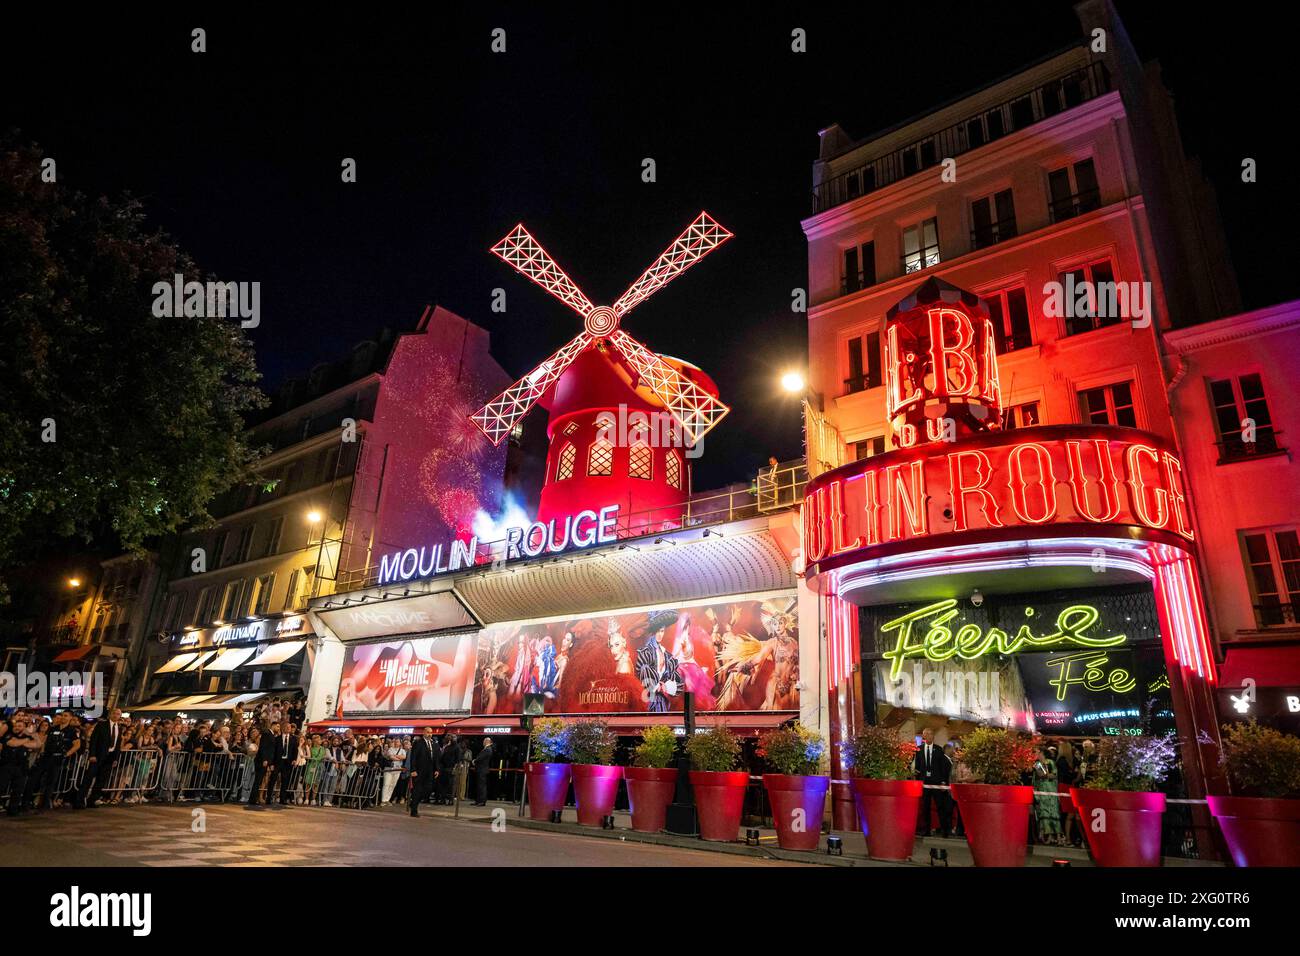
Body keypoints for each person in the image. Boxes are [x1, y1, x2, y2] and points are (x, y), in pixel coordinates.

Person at [76, 708, 124, 809]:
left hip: (110, 757)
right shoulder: (101, 725)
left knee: (101, 780)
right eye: (114, 713)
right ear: (110, 714)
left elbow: (117, 744)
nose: (116, 715)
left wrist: (115, 758)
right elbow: (94, 740)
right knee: (88, 778)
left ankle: (92, 800)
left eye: (118, 714)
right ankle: (79, 801)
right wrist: (92, 755)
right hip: (98, 756)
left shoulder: (119, 728)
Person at [636, 611, 682, 713]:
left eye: (662, 631)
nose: (660, 634)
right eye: (658, 631)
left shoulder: (666, 655)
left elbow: (677, 681)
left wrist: (665, 686)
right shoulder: (645, 652)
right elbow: (642, 672)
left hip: (662, 701)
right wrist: (657, 686)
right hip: (648, 699)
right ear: (653, 632)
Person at [913, 728, 953, 837]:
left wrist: (943, 781)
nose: (930, 736)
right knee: (925, 807)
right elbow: (917, 767)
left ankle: (944, 830)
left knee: (940, 806)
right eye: (927, 734)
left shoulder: (939, 749)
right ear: (923, 736)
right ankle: (926, 830)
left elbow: (944, 767)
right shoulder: (919, 750)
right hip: (924, 782)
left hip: (937, 782)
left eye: (932, 734)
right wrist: (918, 779)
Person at [0, 715, 43, 816]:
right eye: (16, 725)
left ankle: (13, 810)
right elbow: (13, 743)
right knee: (1, 787)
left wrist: (33, 735)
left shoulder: (26, 737)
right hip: (7, 766)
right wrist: (27, 740)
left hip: (21, 768)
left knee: (18, 790)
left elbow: (38, 744)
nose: (17, 727)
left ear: (24, 728)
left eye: (20, 726)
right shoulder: (8, 735)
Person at [1033, 746, 1062, 845]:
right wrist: (1045, 774)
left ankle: (1058, 836)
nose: (1034, 754)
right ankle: (1048, 836)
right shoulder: (1036, 764)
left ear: (1041, 752)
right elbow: (1042, 775)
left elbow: (1054, 775)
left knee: (1054, 812)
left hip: (1051, 790)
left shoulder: (1050, 762)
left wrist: (1045, 774)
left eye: (1036, 752)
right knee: (1044, 813)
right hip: (1041, 791)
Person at [408, 727, 439, 817]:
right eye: (428, 732)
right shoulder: (418, 743)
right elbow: (413, 757)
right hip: (419, 771)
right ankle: (414, 810)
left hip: (430, 771)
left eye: (431, 732)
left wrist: (437, 769)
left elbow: (436, 758)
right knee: (417, 790)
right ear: (424, 733)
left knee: (428, 789)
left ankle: (413, 802)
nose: (430, 734)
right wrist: (413, 769)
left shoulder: (434, 744)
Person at [248, 720, 279, 808]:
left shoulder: (271, 734)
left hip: (265, 761)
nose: (278, 728)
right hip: (261, 761)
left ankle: (253, 798)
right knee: (258, 781)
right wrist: (265, 759)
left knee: (259, 781)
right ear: (273, 726)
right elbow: (263, 747)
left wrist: (270, 762)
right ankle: (252, 799)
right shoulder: (267, 733)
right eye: (277, 726)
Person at [473, 736, 495, 806]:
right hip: (481, 769)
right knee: (479, 786)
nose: (482, 742)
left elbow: (480, 758)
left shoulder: (488, 749)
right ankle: (478, 800)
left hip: (482, 770)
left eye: (483, 741)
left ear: (486, 742)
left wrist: (475, 761)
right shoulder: (486, 749)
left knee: (482, 786)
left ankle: (482, 801)